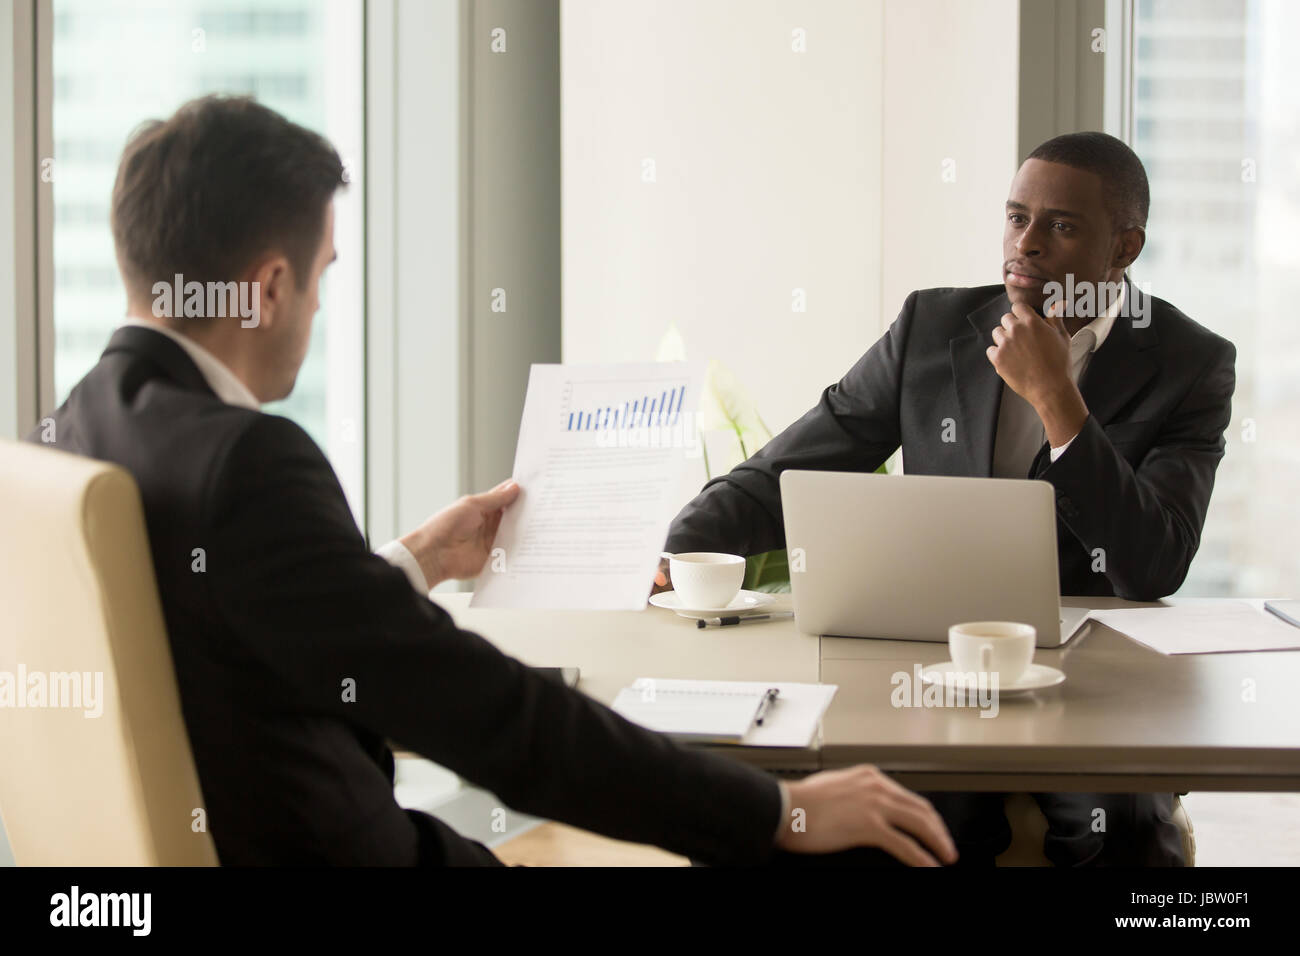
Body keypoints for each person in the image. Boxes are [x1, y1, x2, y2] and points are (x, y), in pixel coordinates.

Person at [27, 94, 956, 868]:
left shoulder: (78, 427)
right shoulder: (248, 462)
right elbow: (488, 717)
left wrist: (416, 560)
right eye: (319, 279)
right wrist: (776, 813)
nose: (314, 310)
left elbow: (258, 631)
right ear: (268, 287)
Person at [658, 132, 1236, 866]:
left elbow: (1154, 563)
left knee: (1117, 829)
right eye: (1016, 217)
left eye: (1060, 226)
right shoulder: (931, 329)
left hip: (1091, 681)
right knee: (890, 809)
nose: (1025, 244)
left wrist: (1060, 401)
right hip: (932, 662)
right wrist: (677, 545)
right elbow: (792, 463)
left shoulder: (1190, 363)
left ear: (1124, 248)